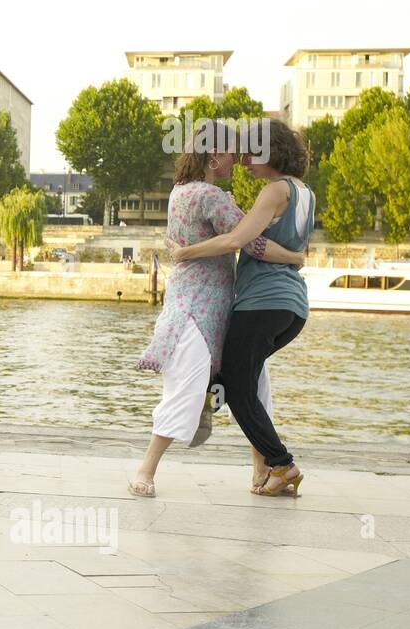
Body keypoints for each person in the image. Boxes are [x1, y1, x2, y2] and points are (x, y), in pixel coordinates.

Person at [130, 124, 305, 498]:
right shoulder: (210, 196)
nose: (239, 160)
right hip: (204, 305)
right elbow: (253, 243)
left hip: (198, 301)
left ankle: (262, 464)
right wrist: (293, 257)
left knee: (245, 382)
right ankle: (147, 469)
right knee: (214, 385)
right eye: (231, 152)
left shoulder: (181, 192)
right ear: (213, 156)